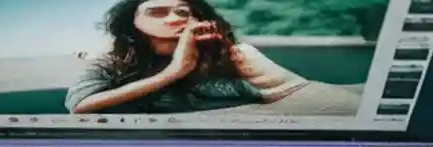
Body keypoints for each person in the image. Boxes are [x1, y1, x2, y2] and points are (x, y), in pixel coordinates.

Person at [66, 0, 310, 115]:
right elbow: (80, 105)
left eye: (182, 11)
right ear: (132, 23)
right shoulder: (113, 61)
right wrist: (174, 72)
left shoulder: (227, 54)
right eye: (156, 12)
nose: (174, 19)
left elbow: (292, 99)